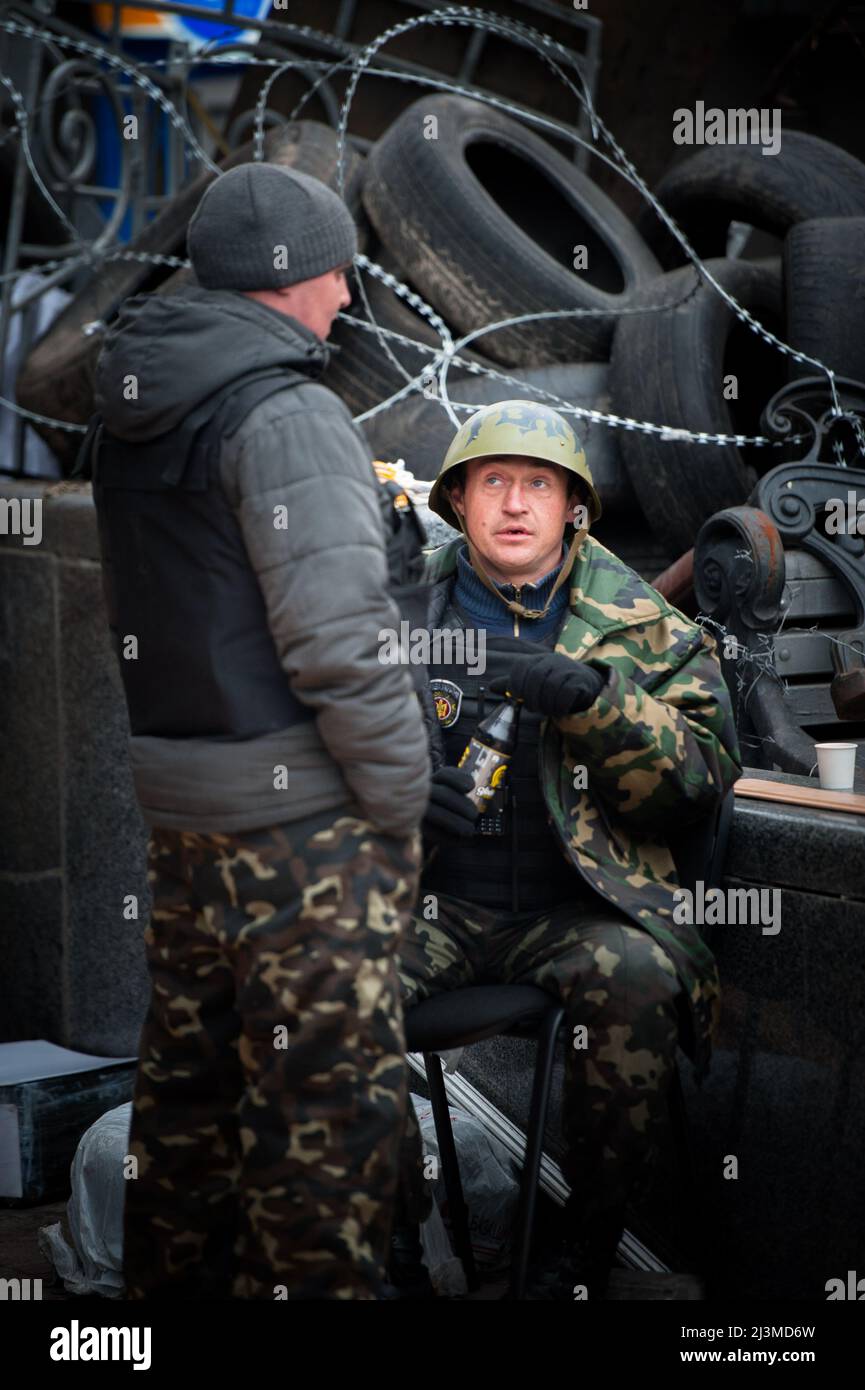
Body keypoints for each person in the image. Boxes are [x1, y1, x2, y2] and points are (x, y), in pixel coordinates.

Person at [85, 162, 430, 1299]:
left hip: (182, 819)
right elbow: (341, 645)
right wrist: (396, 805)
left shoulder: (134, 405)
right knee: (323, 1131)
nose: (345, 296)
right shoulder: (288, 413)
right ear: (293, 279)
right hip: (302, 834)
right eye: (337, 271)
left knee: (183, 1112)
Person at [391, 399, 741, 1299]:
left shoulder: (641, 621)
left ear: (573, 507)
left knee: (638, 978)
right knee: (312, 982)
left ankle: (578, 1259)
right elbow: (296, 733)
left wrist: (595, 701)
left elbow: (696, 783)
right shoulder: (396, 596)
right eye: (493, 483)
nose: (514, 504)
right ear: (458, 501)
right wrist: (388, 797)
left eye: (537, 485)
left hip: (579, 910)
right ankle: (390, 1244)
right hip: (425, 903)